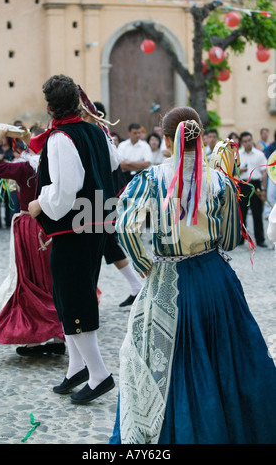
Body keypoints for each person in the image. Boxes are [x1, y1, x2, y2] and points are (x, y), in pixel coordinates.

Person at [109, 106, 276, 444]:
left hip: (171, 277)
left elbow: (124, 225)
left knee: (176, 362)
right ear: (199, 137)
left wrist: (144, 264)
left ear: (167, 140)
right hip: (216, 278)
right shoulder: (220, 180)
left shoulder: (150, 178)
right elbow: (231, 240)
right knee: (226, 356)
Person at [28, 75, 119, 403]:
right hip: (96, 221)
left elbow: (65, 192)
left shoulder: (61, 137)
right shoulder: (95, 130)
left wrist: (40, 204)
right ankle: (76, 366)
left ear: (50, 106)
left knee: (74, 297)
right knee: (67, 294)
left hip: (74, 227)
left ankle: (99, 374)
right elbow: (113, 163)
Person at [0, 124, 65, 355]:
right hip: (53, 225)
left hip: (30, 226)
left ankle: (35, 337)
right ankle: (58, 337)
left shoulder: (23, 168)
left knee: (30, 282)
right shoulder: (53, 164)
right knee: (50, 279)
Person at [81, 99, 142, 308]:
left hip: (101, 201)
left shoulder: (101, 136)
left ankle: (136, 288)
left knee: (102, 247)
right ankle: (136, 288)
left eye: (85, 112)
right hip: (97, 201)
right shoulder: (99, 135)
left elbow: (112, 169)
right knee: (106, 247)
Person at [238, 131, 268, 247]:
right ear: (241, 143)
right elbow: (233, 171)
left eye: (250, 140)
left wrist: (264, 189)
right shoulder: (238, 154)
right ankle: (241, 238)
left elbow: (264, 173)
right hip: (243, 185)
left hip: (255, 185)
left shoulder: (259, 154)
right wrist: (240, 170)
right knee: (242, 213)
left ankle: (260, 239)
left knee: (257, 213)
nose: (248, 143)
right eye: (245, 141)